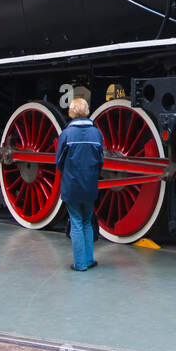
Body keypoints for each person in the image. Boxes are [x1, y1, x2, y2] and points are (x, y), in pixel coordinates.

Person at [56, 97, 103, 271]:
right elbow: (100, 161)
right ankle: (89, 259)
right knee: (87, 221)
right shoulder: (96, 133)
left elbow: (59, 161)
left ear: (71, 112)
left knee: (75, 221)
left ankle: (80, 264)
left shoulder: (67, 134)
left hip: (72, 184)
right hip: (90, 184)